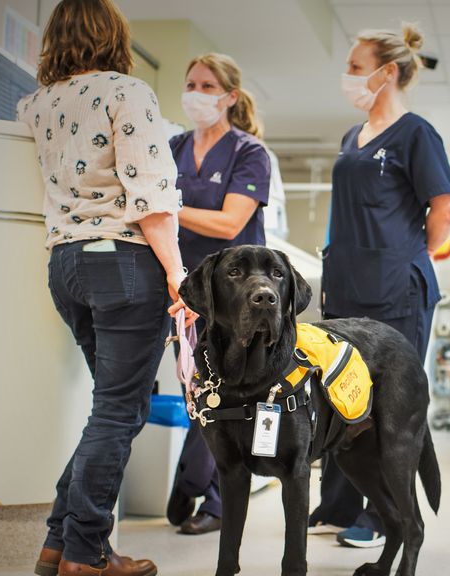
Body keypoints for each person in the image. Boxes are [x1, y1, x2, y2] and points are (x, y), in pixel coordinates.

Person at [18, 1, 195, 575]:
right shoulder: (128, 92)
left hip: (65, 264)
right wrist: (176, 272)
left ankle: (58, 542)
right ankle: (84, 553)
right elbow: (149, 193)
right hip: (123, 261)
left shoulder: (37, 103)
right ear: (113, 36)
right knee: (119, 411)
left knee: (115, 410)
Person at [309, 22, 450, 549]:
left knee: (388, 403)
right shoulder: (354, 136)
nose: (348, 76)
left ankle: (384, 515)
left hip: (397, 287)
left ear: (387, 71)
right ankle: (336, 504)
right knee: (338, 393)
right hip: (347, 283)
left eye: (356, 66)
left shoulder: (415, 133)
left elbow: (445, 208)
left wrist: (409, 251)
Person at [165, 52, 271, 536]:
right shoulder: (173, 146)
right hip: (183, 287)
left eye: (208, 86)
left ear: (229, 96)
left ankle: (207, 495)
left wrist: (166, 203)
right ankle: (194, 483)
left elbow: (230, 223)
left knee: (225, 393)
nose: (196, 93)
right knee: (193, 390)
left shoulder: (249, 152)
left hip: (236, 300)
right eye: (191, 83)